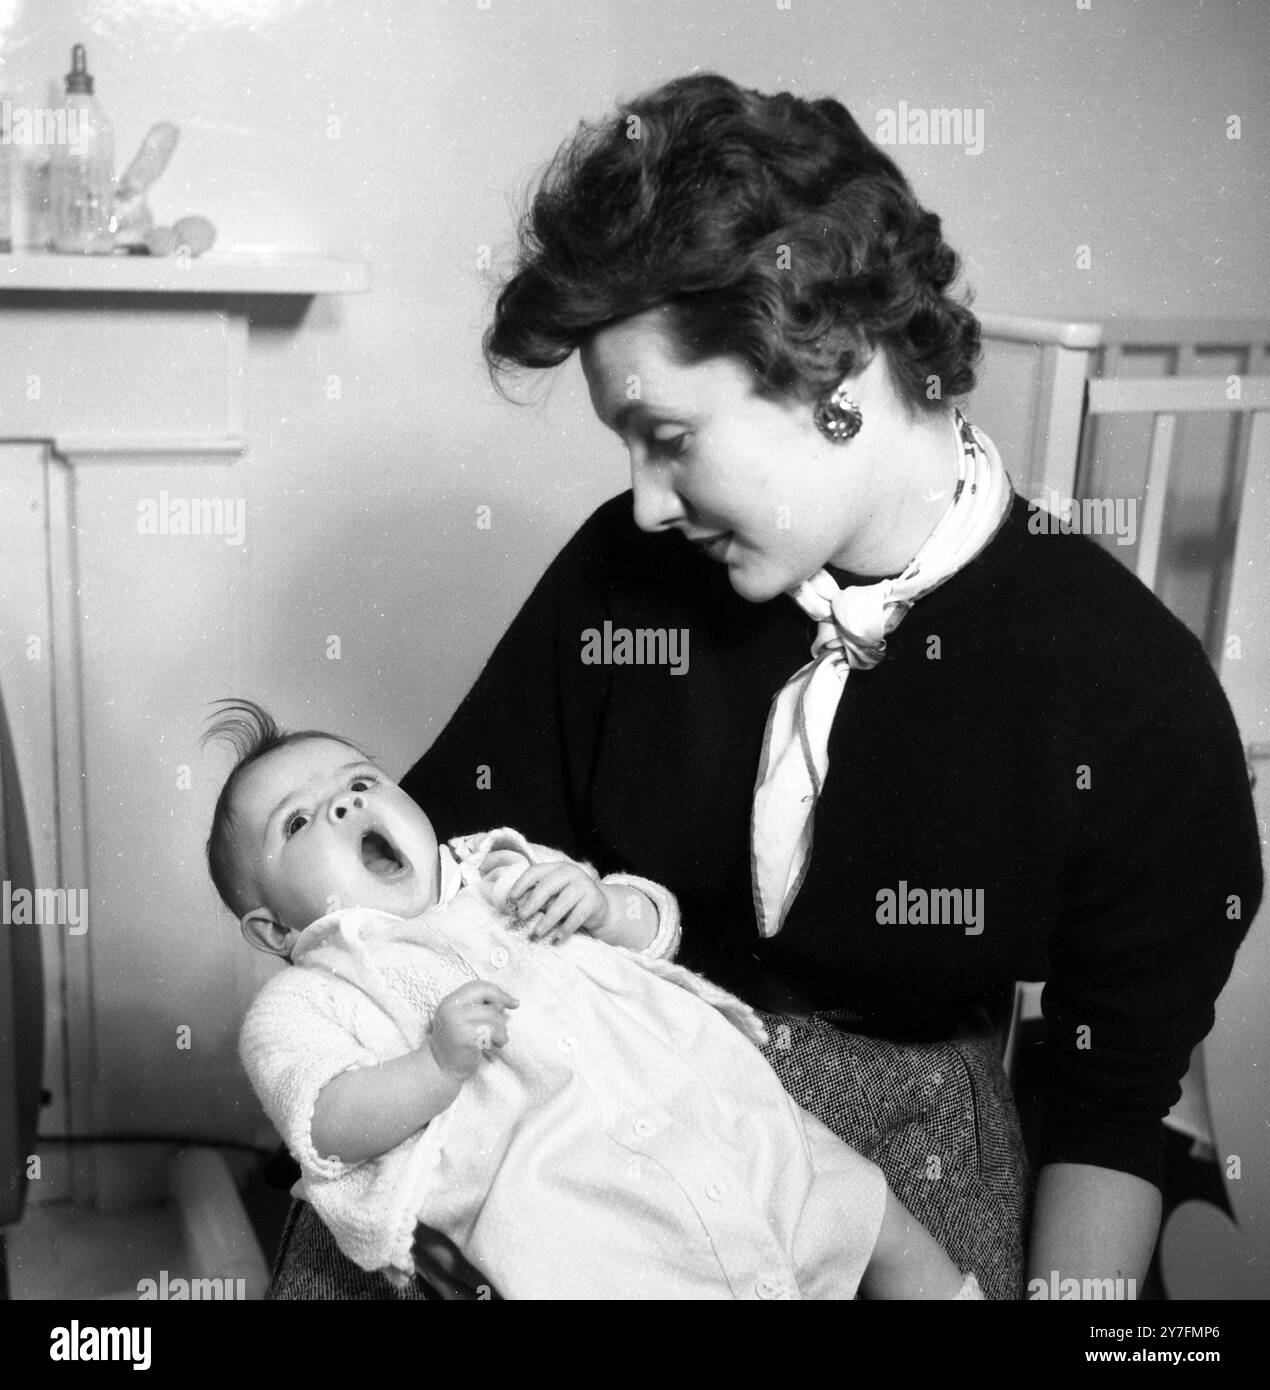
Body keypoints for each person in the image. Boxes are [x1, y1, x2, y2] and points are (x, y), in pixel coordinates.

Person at [269, 72, 1262, 1301]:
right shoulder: (622, 579)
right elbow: (417, 891)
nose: (640, 500)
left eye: (669, 438)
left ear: (831, 368)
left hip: (892, 1179)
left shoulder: (1131, 695)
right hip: (561, 1145)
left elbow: (1109, 1109)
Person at [211, 700, 984, 1299]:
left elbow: (657, 935)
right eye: (301, 821)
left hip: (724, 1120)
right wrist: (433, 1067)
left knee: (869, 1211)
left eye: (359, 783)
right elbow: (325, 1129)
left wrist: (603, 903)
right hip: (580, 1215)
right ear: (272, 927)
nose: (344, 807)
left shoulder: (505, 866)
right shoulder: (305, 1001)